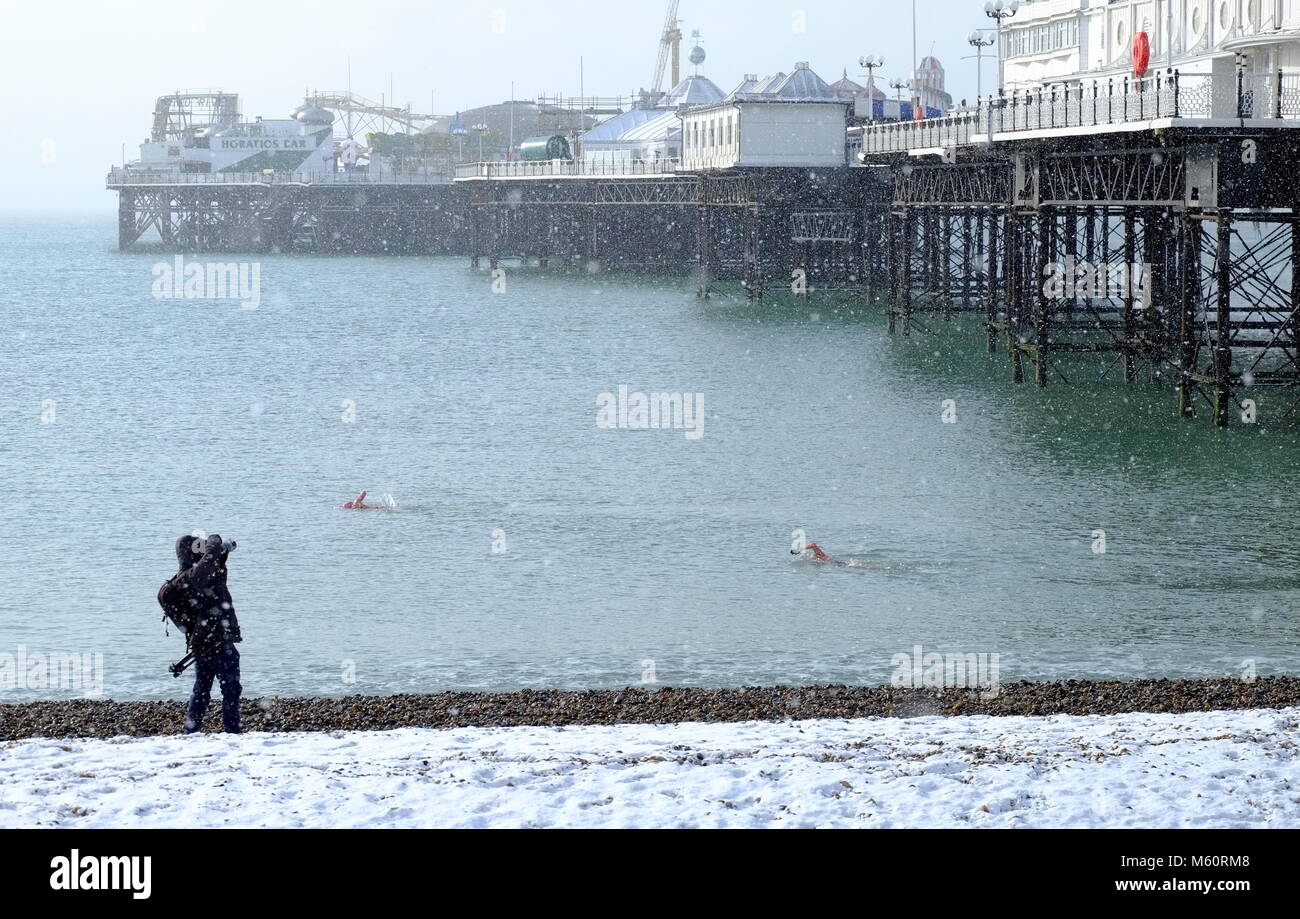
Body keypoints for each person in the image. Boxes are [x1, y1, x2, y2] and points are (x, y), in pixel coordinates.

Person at [175, 533, 242, 735]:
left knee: (201, 689)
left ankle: (191, 732)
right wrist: (214, 540)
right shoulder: (193, 576)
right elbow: (207, 566)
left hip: (202, 641)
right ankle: (232, 732)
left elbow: (215, 567)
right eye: (199, 547)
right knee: (230, 688)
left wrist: (222, 551)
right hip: (215, 640)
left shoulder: (192, 576)